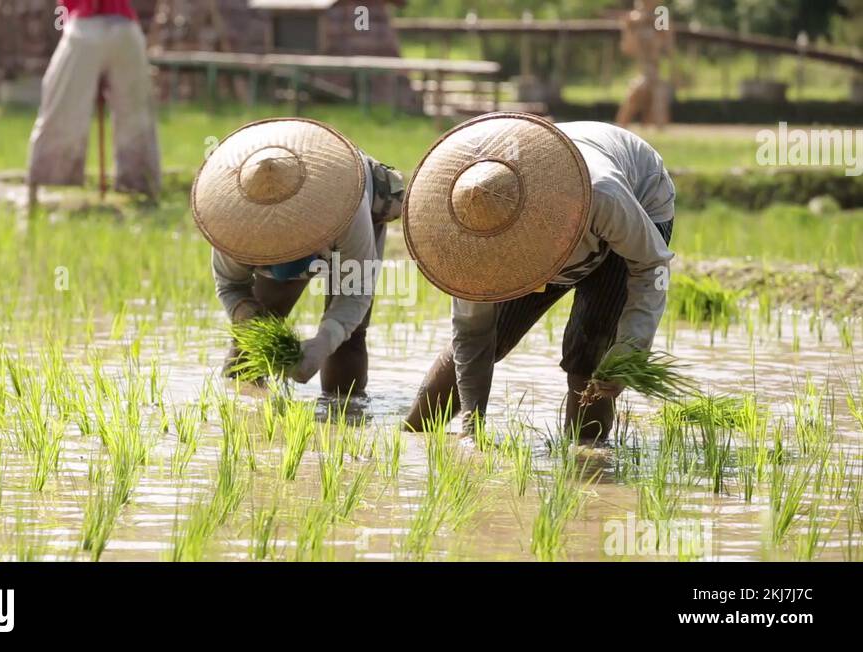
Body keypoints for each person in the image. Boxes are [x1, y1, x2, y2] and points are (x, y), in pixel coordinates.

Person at [402, 113, 675, 443]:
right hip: (561, 212)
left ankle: (587, 459)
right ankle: (412, 435)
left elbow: (653, 266)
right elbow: (472, 335)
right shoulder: (472, 236)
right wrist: (472, 432)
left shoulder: (602, 195)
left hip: (638, 201)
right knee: (492, 338)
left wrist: (630, 348)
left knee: (591, 353)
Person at [191, 118, 404, 394]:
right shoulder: (231, 224)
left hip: (348, 209)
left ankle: (344, 415)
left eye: (294, 247)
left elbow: (355, 292)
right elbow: (231, 285)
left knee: (349, 337)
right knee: (254, 333)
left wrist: (325, 341)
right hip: (281, 221)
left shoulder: (346, 206)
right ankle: (242, 408)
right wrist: (245, 312)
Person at [27, 0, 161, 206]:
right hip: (123, 27)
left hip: (85, 27)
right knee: (136, 115)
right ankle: (142, 187)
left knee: (63, 110)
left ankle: (51, 184)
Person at [615, 0, 674, 128]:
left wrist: (651, 22)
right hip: (642, 71)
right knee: (632, 100)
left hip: (656, 72)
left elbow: (666, 47)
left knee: (658, 102)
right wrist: (628, 28)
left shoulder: (660, 16)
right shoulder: (633, 20)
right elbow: (628, 49)